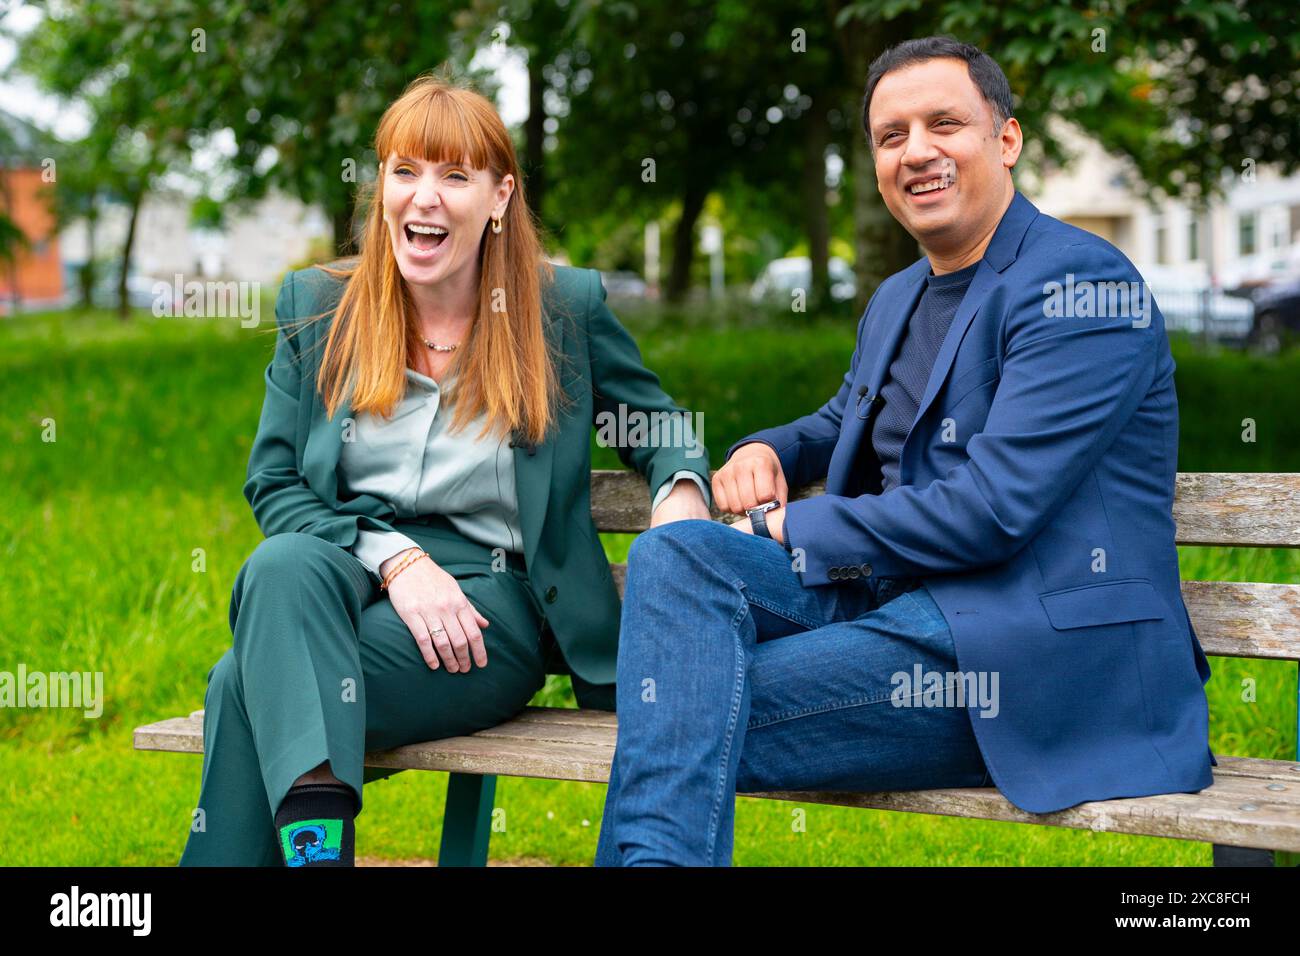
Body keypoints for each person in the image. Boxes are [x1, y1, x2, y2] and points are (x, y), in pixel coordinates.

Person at [595, 36, 1214, 866]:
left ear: (1007, 140)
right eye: (891, 136)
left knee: (677, 708)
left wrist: (784, 532)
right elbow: (837, 421)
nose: (916, 151)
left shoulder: (1079, 286)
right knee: (678, 555)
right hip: (895, 606)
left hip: (1024, 654)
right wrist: (766, 446)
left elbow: (992, 510)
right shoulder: (898, 295)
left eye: (944, 124)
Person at [179, 74, 711, 867]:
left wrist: (685, 491)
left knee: (244, 686)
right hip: (342, 571)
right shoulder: (319, 310)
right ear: (382, 188)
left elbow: (656, 423)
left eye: (454, 176)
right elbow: (276, 484)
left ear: (500, 197)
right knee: (282, 562)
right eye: (405, 170)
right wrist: (396, 558)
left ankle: (312, 847)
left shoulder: (562, 309)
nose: (424, 198)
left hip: (490, 609)